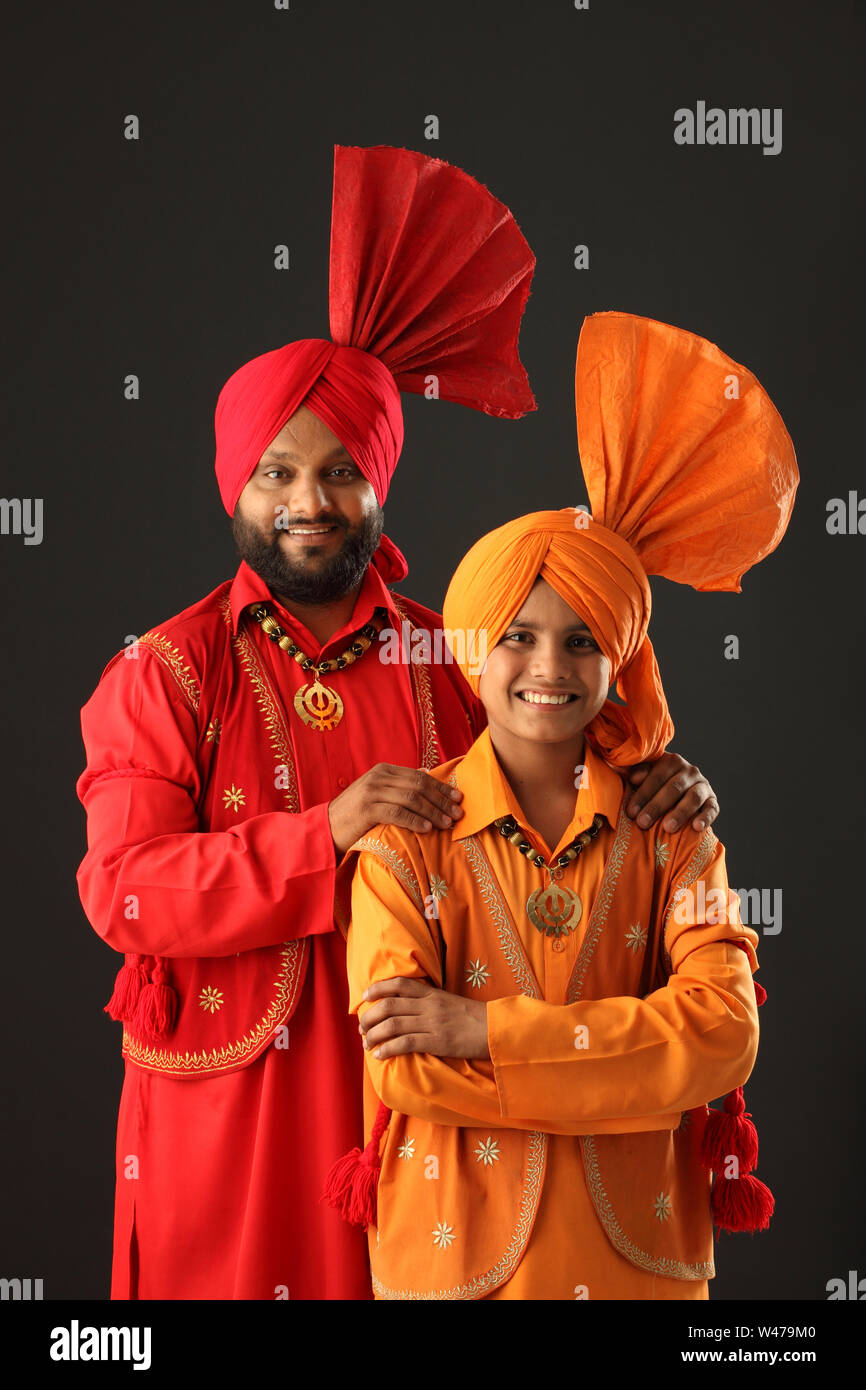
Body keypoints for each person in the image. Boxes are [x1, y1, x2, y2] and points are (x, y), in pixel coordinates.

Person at [77, 142, 720, 1299]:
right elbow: (122, 892)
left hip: (432, 1090)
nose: (308, 503)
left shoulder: (457, 647)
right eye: (276, 472)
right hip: (226, 1106)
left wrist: (667, 779)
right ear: (235, 483)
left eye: (339, 473)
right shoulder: (168, 671)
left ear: (381, 480)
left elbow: (584, 739)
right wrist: (323, 833)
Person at [335, 310, 798, 1300]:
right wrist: (631, 1068)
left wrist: (480, 1031)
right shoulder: (404, 840)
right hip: (448, 1266)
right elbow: (400, 1071)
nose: (548, 669)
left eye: (583, 640)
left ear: (620, 656)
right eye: (518, 636)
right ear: (471, 646)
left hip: (637, 1271)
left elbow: (722, 1035)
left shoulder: (676, 835)